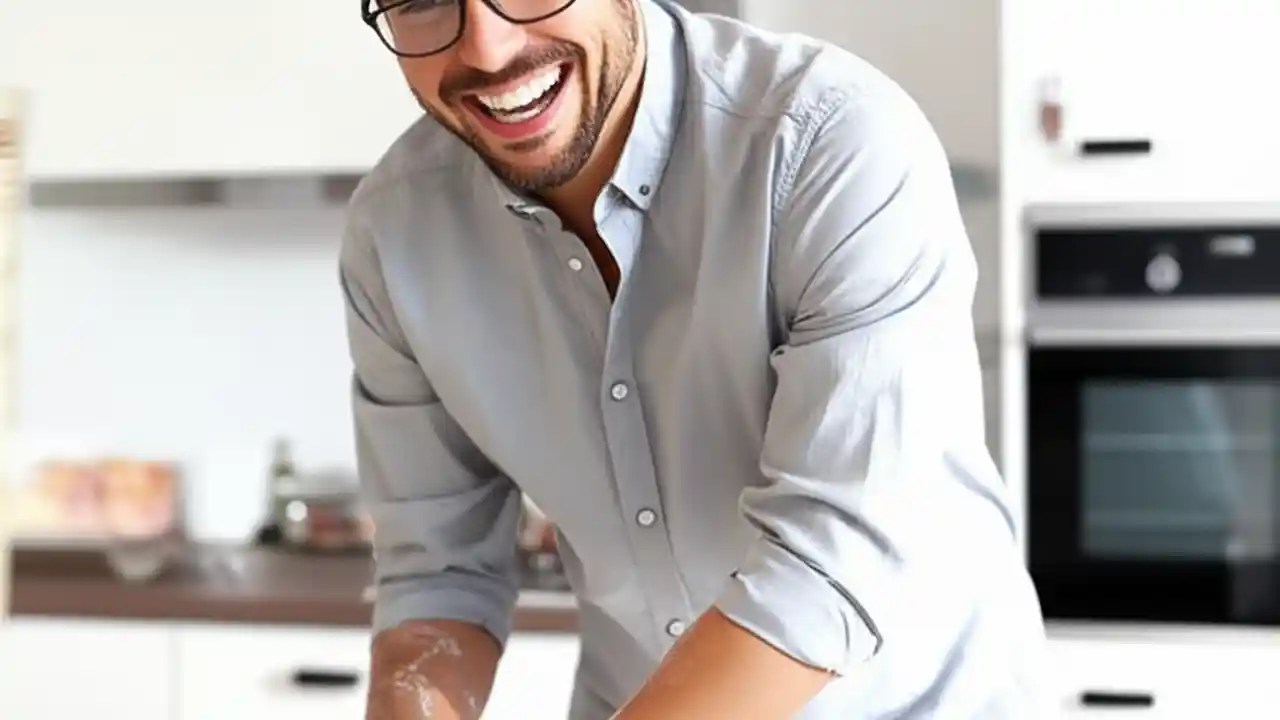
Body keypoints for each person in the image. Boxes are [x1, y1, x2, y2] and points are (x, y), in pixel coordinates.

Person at [340, 0, 1048, 718]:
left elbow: (829, 567)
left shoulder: (831, 137)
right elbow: (437, 576)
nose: (487, 50)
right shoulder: (396, 232)